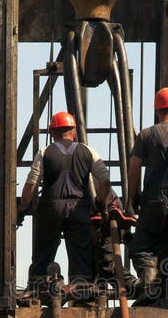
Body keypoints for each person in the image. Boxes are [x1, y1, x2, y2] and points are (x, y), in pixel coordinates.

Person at [18, 111, 116, 290]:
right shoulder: (88, 151)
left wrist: (23, 207)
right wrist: (101, 202)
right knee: (80, 253)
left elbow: (31, 183)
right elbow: (105, 179)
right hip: (78, 209)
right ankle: (82, 291)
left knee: (43, 253)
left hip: (51, 209)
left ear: (52, 133)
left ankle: (35, 290)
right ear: (74, 131)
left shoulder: (45, 152)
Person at [127, 87, 168, 306]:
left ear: (157, 110)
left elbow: (134, 170)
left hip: (153, 200)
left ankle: (149, 281)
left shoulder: (146, 135)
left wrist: (133, 199)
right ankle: (165, 299)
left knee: (142, 248)